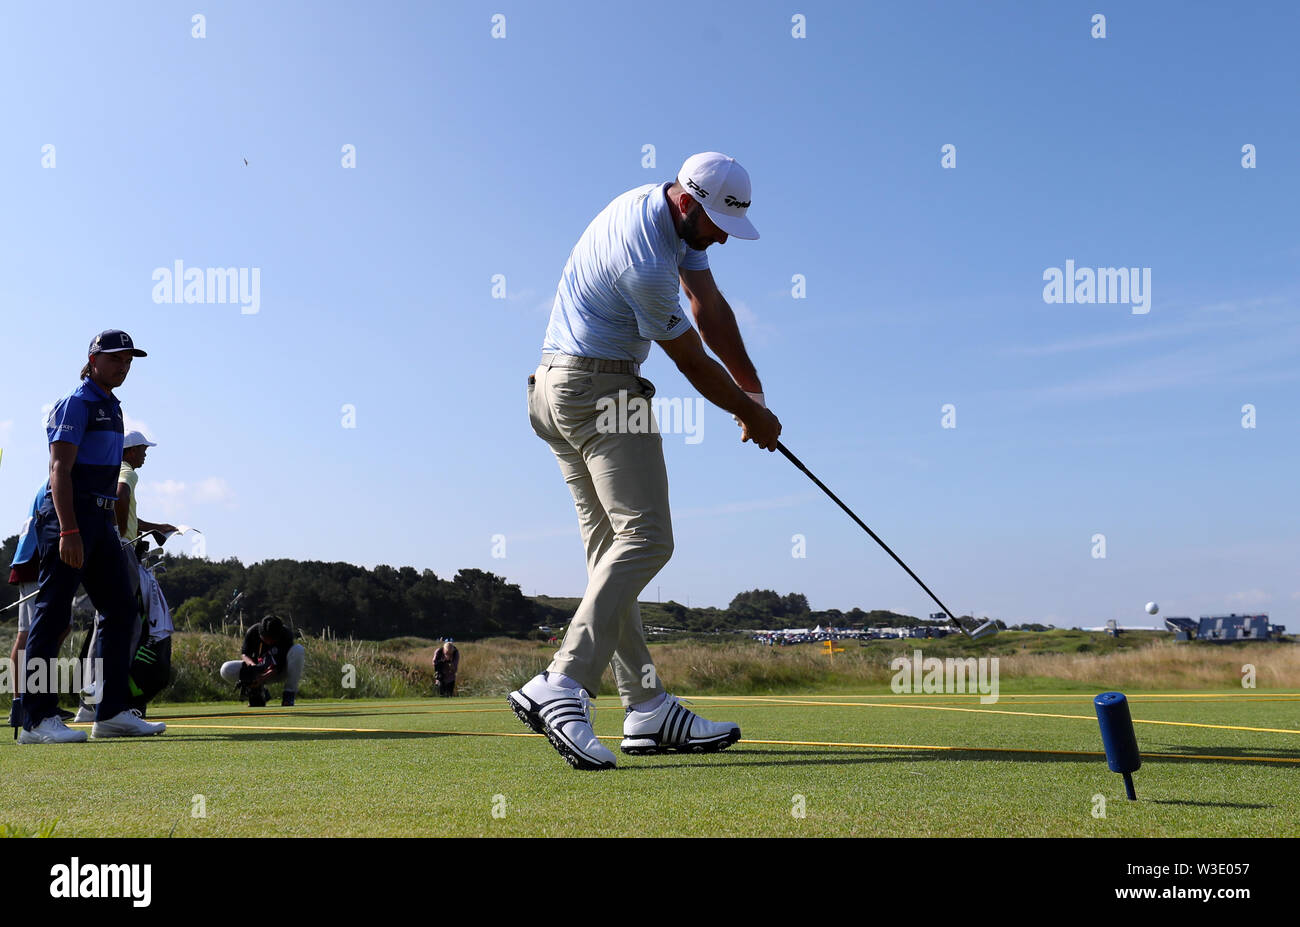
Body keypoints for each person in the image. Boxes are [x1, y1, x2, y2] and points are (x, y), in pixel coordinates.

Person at [508, 152, 780, 770]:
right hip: (600, 393)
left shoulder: (666, 212)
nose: (719, 239)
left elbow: (708, 301)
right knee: (649, 538)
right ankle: (562, 682)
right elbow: (689, 359)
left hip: (554, 391)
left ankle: (648, 708)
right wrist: (752, 416)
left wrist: (753, 391)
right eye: (714, 225)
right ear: (688, 202)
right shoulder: (644, 257)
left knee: (612, 554)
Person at [20, 330, 166, 742]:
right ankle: (35, 719)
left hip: (101, 522)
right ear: (93, 358)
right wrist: (68, 528)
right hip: (71, 516)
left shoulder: (113, 407)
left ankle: (113, 711)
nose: (123, 367)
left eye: (128, 362)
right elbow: (59, 471)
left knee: (122, 613)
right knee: (53, 615)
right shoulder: (77, 403)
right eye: (116, 359)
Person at [75, 429, 177, 721]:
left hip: (107, 547)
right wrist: (120, 538)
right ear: (130, 451)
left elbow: (126, 512)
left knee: (103, 623)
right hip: (122, 553)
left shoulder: (108, 470)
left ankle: (89, 702)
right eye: (142, 449)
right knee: (126, 623)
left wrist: (156, 526)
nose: (145, 453)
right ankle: (115, 700)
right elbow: (121, 497)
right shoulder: (128, 472)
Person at [219, 615, 304, 707]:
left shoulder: (286, 634)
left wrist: (262, 678)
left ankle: (289, 694)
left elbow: (279, 665)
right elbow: (244, 654)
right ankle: (259, 692)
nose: (269, 641)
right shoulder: (252, 631)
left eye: (272, 639)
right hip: (259, 671)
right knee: (226, 668)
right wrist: (253, 668)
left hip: (280, 672)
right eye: (266, 638)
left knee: (298, 650)